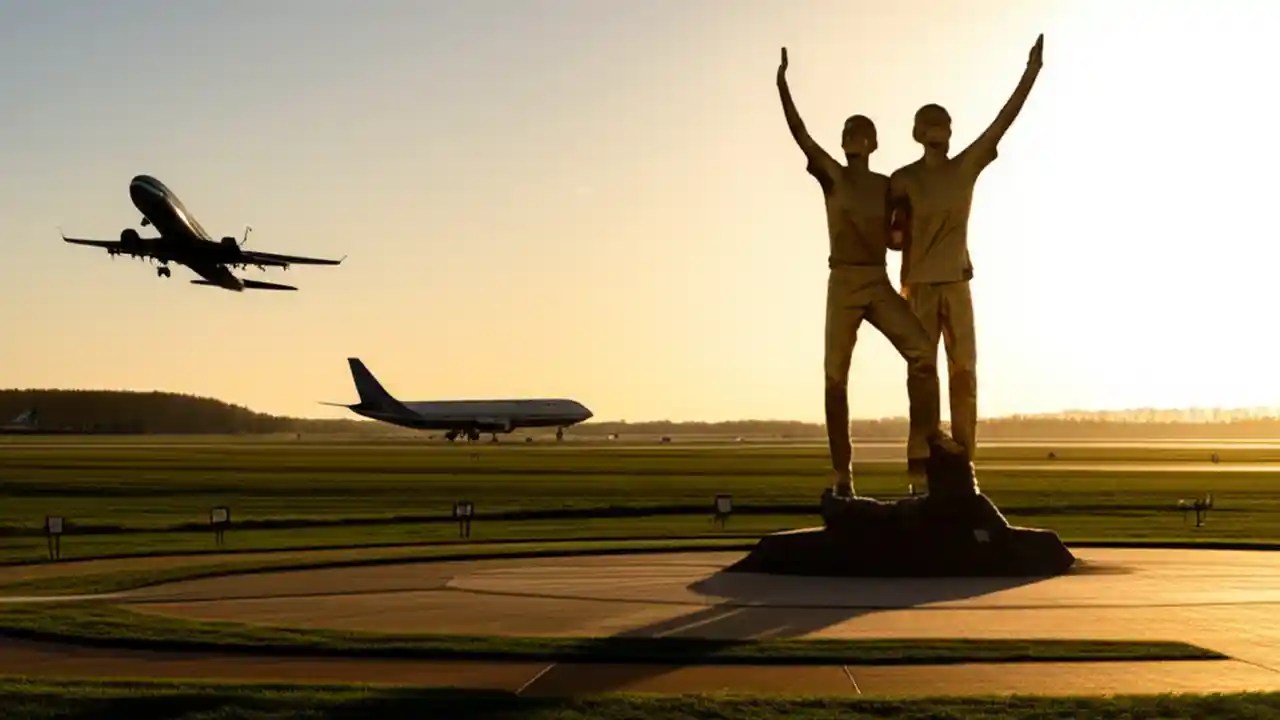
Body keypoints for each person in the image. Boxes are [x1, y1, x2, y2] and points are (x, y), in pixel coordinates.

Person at [776, 47, 939, 497]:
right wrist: (783, 86)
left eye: (860, 132)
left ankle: (921, 468)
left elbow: (895, 236)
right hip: (843, 281)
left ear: (871, 143)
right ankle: (842, 475)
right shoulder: (833, 176)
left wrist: (906, 232)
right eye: (847, 131)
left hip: (877, 279)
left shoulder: (885, 185)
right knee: (835, 376)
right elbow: (801, 134)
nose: (851, 137)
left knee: (924, 355)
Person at [889, 34, 1044, 473]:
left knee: (964, 371)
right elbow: (875, 221)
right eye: (932, 123)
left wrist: (1030, 74)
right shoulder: (902, 180)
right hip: (918, 283)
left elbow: (1001, 122)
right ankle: (921, 460)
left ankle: (964, 458)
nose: (941, 129)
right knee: (921, 371)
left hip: (956, 282)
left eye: (946, 123)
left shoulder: (964, 168)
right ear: (919, 133)